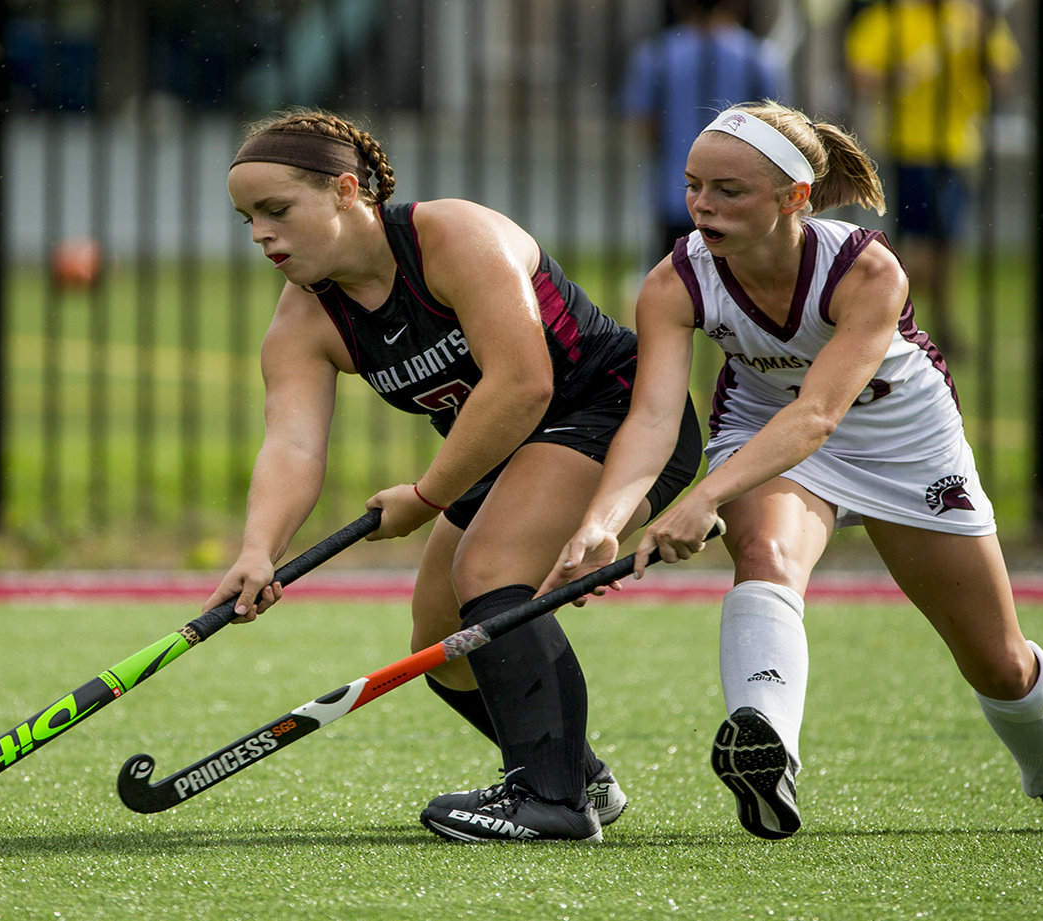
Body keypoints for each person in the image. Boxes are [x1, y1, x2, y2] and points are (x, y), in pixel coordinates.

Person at [544, 101, 1043, 839]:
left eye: (729, 190)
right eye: (694, 185)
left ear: (794, 197)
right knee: (765, 553)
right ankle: (768, 750)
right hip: (763, 427)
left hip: (901, 441)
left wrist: (705, 497)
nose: (702, 205)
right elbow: (652, 420)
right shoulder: (676, 281)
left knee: (998, 662)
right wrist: (601, 524)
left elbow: (819, 415)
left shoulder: (866, 270)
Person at [213, 110, 702, 843]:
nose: (260, 234)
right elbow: (292, 444)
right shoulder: (306, 321)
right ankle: (578, 775)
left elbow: (523, 383)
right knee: (440, 637)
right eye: (248, 218)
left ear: (346, 190)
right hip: (502, 452)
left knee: (489, 571)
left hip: (612, 413)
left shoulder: (453, 237)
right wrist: (258, 550)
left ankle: (553, 803)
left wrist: (426, 496)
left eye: (276, 210)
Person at [845, 0, 1020, 356]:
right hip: (908, 148)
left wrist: (982, 40)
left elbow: (1001, 79)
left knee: (948, 243)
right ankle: (876, 302)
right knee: (926, 244)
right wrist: (896, 77)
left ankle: (926, 319)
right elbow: (861, 74)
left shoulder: (973, 18)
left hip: (959, 148)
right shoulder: (891, 17)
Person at [623, 0, 788, 262]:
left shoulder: (658, 53)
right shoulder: (757, 55)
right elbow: (775, 123)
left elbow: (644, 122)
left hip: (676, 190)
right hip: (740, 193)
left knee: (678, 270)